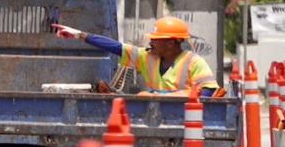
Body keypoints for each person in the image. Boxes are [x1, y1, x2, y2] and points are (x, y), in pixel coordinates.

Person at [50, 16, 219, 97]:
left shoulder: (194, 62)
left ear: (170, 43)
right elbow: (116, 47)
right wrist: (79, 35)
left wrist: (167, 98)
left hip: (185, 121)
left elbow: (208, 92)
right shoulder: (147, 58)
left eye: (156, 40)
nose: (151, 43)